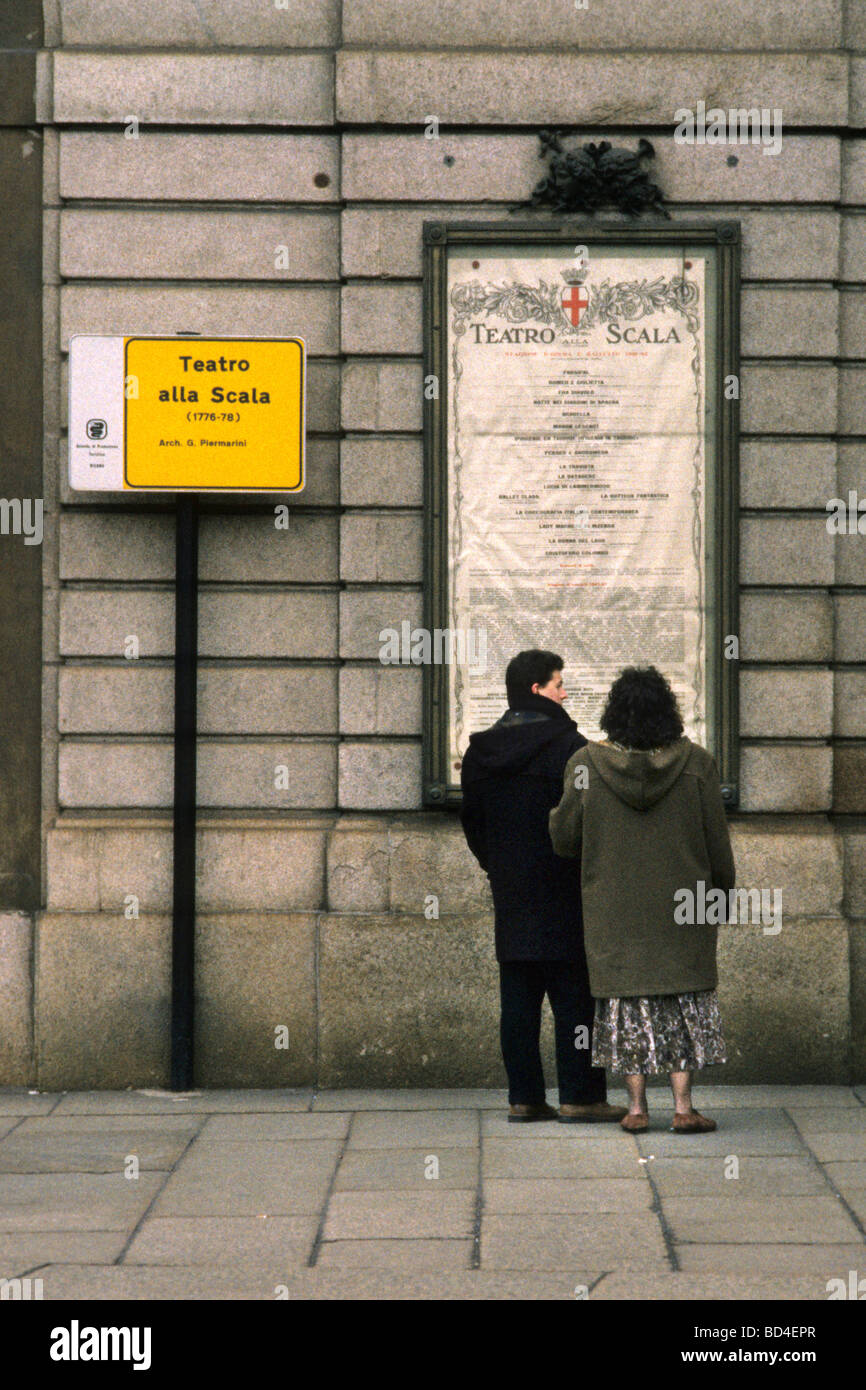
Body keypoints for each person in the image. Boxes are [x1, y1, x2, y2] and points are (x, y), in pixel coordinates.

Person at [549, 665, 736, 1134]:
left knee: (625, 1007)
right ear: (667, 713)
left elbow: (565, 839)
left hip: (613, 910)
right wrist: (721, 895)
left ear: (614, 713)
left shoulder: (585, 765)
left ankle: (635, 1109)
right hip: (683, 908)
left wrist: (560, 814)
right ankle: (683, 1106)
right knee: (683, 1003)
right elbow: (718, 845)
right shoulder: (697, 764)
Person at [459, 649, 627, 1125]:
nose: (565, 692)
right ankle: (580, 1095)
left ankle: (524, 1098)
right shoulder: (571, 747)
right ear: (537, 690)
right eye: (558, 684)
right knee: (575, 998)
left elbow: (472, 822)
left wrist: (497, 867)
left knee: (518, 998)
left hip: (512, 889)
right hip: (566, 886)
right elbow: (590, 821)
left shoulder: (480, 751)